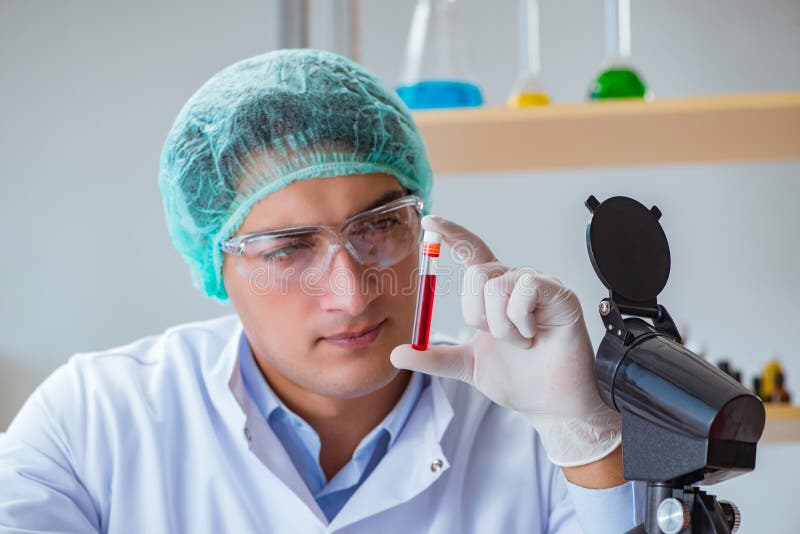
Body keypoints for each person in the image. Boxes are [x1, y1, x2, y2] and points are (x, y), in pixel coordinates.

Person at [0, 49, 642, 533]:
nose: (352, 293)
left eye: (382, 224)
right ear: (212, 263)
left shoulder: (531, 426)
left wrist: (585, 437)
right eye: (288, 248)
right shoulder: (92, 421)